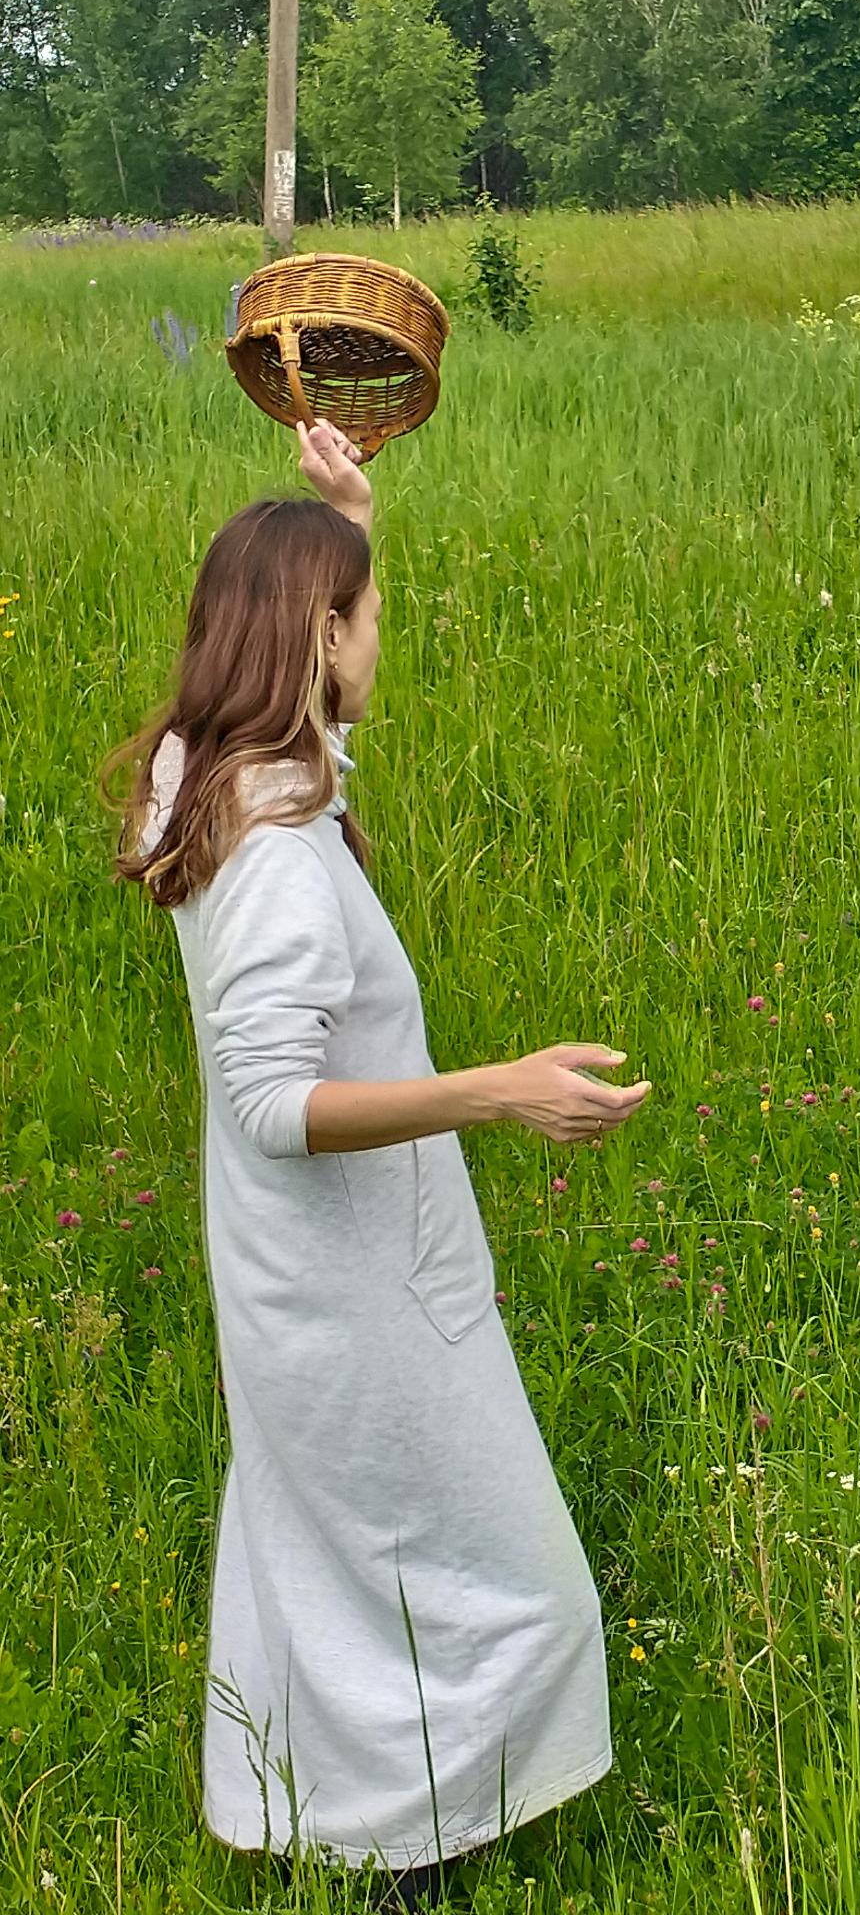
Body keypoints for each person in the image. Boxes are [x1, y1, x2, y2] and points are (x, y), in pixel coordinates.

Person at [101, 418, 651, 1913]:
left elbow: (310, 759)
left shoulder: (207, 781)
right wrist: (501, 1093)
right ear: (317, 640)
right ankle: (412, 1857)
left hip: (306, 1276)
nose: (382, 633)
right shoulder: (278, 852)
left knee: (334, 1560)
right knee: (509, 1586)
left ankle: (336, 1828)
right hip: (350, 1289)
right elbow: (276, 1099)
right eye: (366, 612)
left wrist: (350, 518)